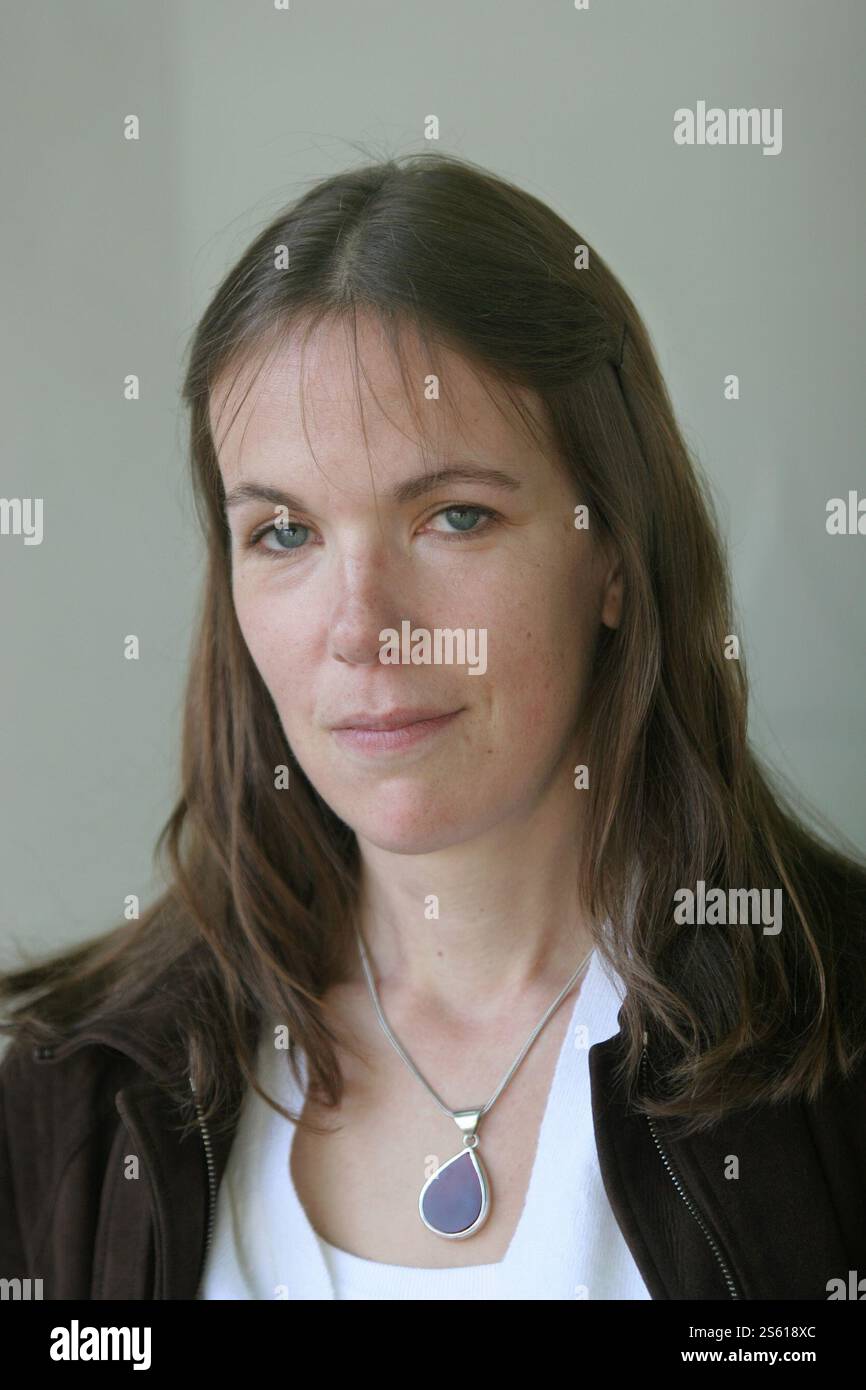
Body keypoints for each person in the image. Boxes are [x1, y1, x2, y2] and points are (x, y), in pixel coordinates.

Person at [2, 151, 865, 1302]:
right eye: (284, 534)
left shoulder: (838, 1048)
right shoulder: (76, 1092)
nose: (362, 630)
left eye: (453, 515)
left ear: (611, 551)